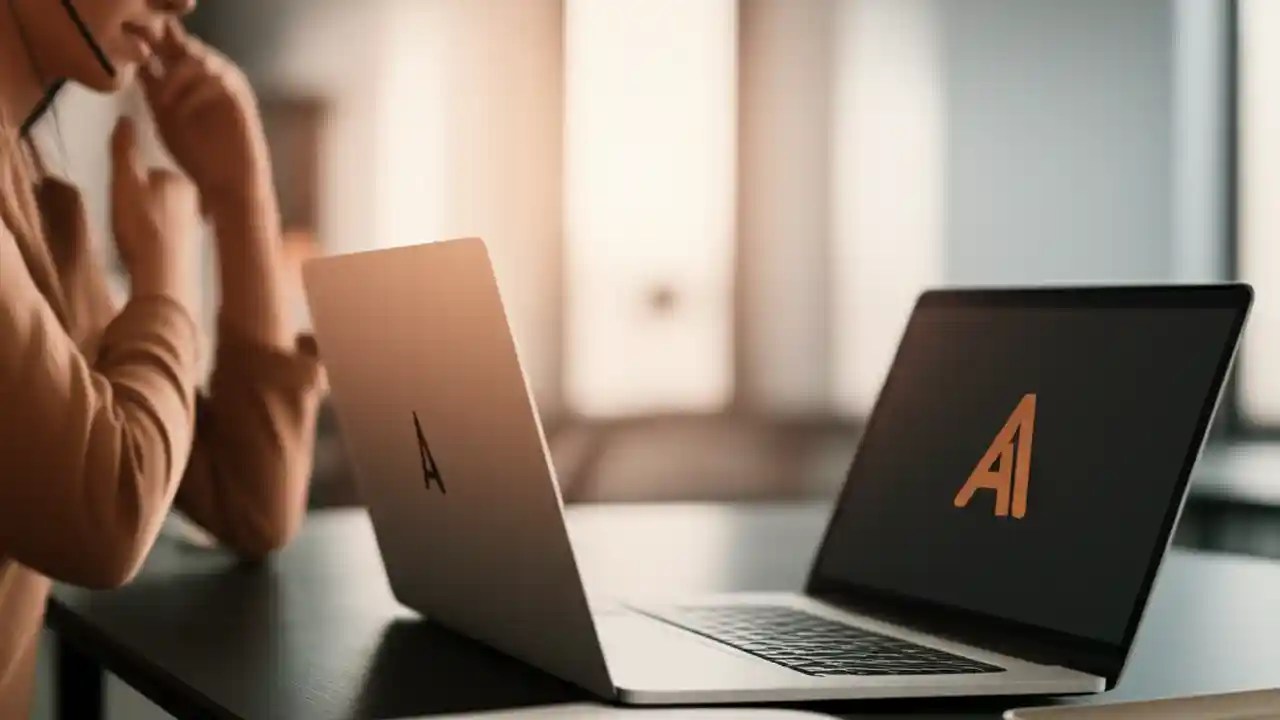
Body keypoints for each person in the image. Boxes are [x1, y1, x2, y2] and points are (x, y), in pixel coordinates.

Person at [0, 1, 324, 715]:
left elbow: (250, 497)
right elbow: (110, 514)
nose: (182, 1)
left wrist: (240, 196)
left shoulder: (33, 189)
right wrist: (167, 275)